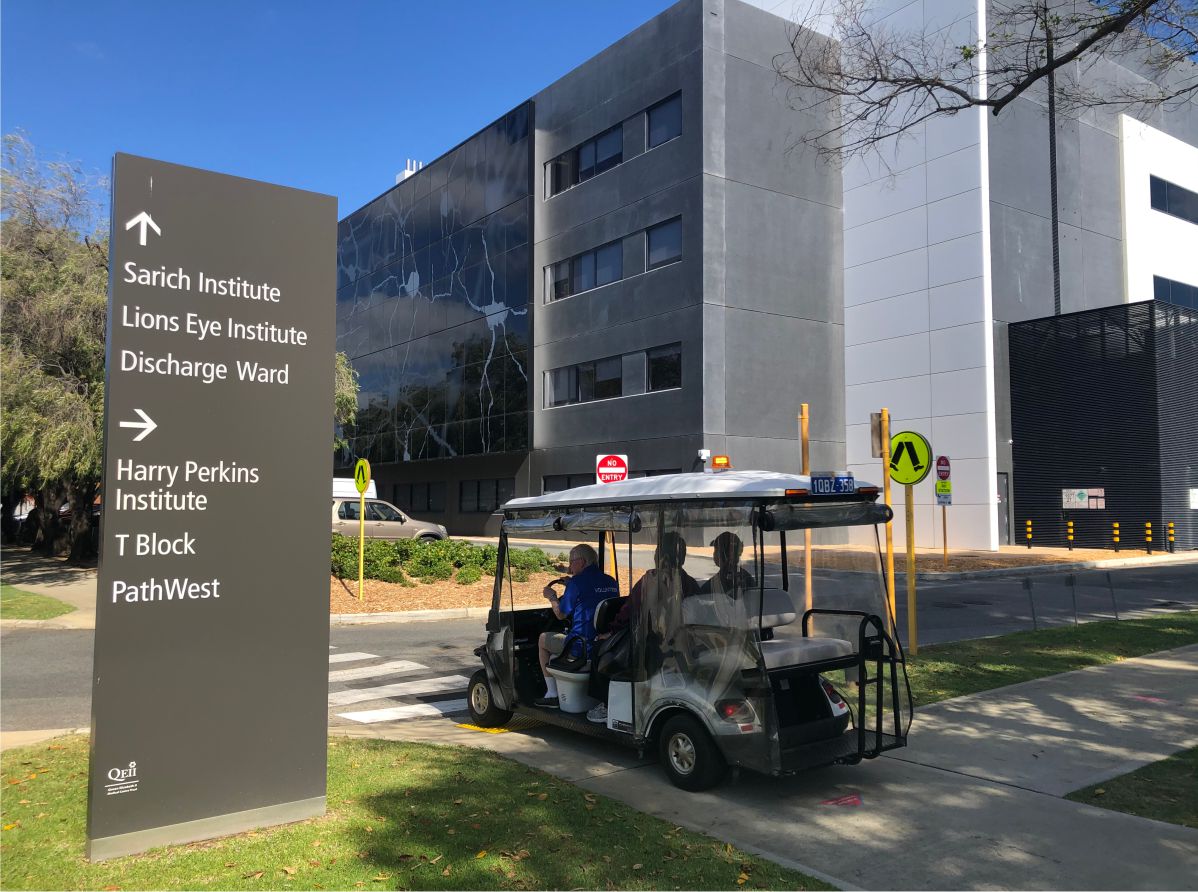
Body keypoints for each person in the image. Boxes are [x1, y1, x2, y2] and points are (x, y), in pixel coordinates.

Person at [587, 531, 697, 723]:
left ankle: (605, 704)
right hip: (682, 644)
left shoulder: (651, 579)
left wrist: (611, 631)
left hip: (651, 644)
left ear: (661, 556)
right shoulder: (689, 581)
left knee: (599, 648)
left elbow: (629, 611)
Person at [536, 543, 619, 708]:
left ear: (581, 562)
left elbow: (561, 614)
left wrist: (552, 597)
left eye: (571, 562)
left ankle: (552, 694)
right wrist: (570, 585)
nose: (569, 568)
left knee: (543, 639)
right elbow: (592, 594)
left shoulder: (577, 583)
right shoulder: (611, 581)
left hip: (581, 647)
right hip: (605, 645)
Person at [699, 531, 756, 597]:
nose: (714, 554)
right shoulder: (747, 578)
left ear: (723, 554)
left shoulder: (711, 586)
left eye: (716, 550)